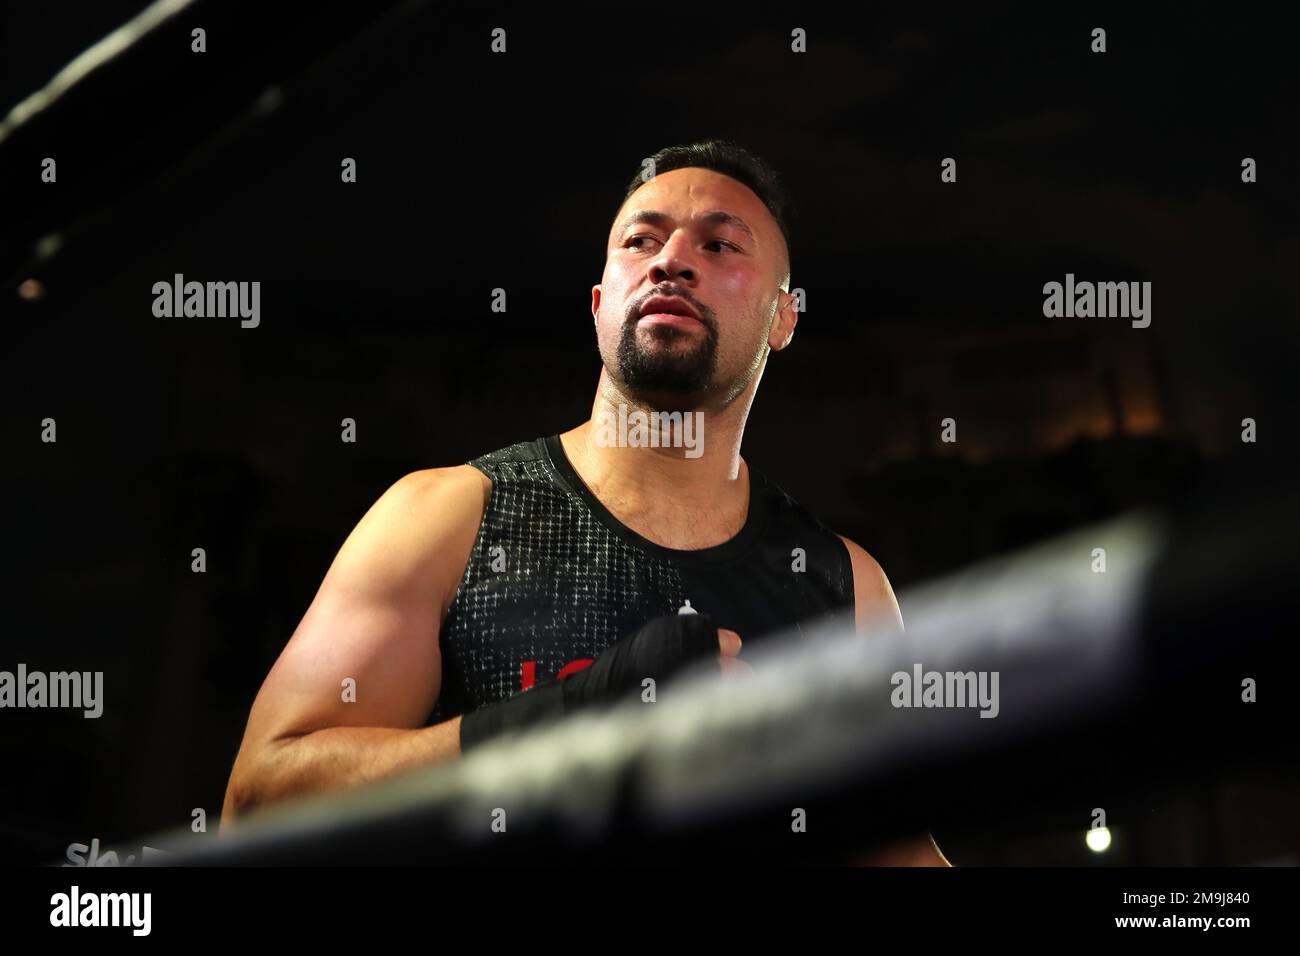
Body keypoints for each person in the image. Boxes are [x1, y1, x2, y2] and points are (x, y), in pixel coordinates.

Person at [220, 139, 949, 866]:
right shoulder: (447, 516)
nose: (671, 260)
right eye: (641, 240)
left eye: (722, 245)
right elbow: (257, 807)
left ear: (782, 320)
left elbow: (902, 857)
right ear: (600, 304)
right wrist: (573, 719)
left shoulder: (844, 586)